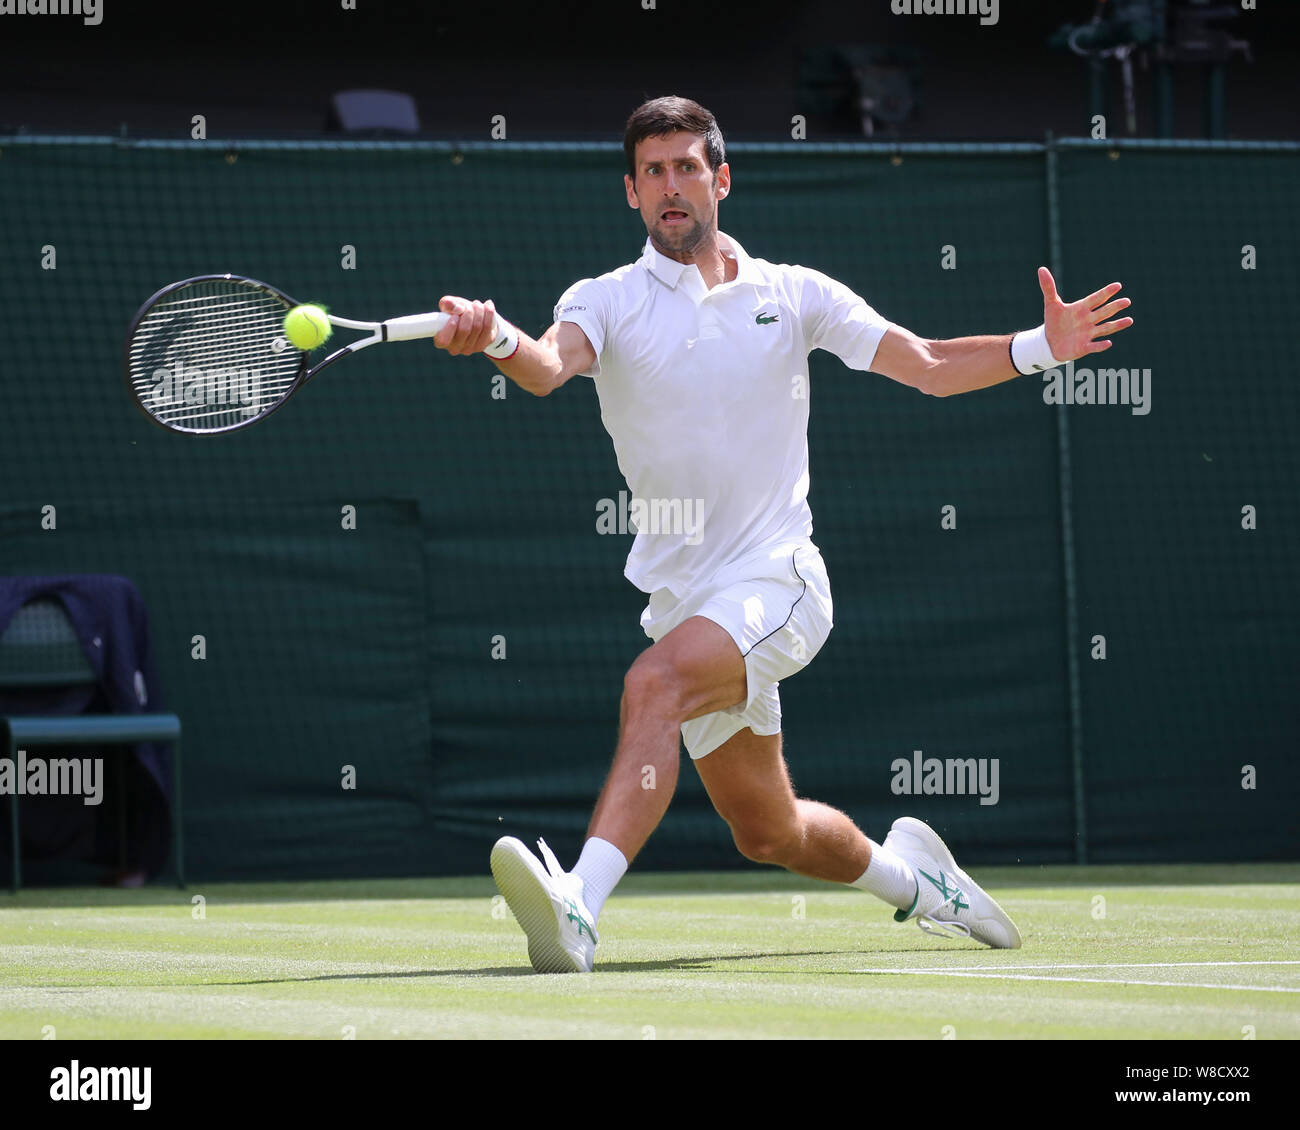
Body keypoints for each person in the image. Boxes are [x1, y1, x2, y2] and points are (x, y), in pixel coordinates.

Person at [432, 96, 1133, 973]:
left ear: (720, 179)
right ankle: (921, 884)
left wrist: (1040, 347)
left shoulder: (795, 294)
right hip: (684, 598)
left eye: (687, 167)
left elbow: (924, 366)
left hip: (780, 580)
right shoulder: (603, 302)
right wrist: (492, 333)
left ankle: (579, 903)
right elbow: (542, 368)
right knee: (771, 831)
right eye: (653, 172)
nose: (671, 186)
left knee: (652, 686)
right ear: (631, 192)